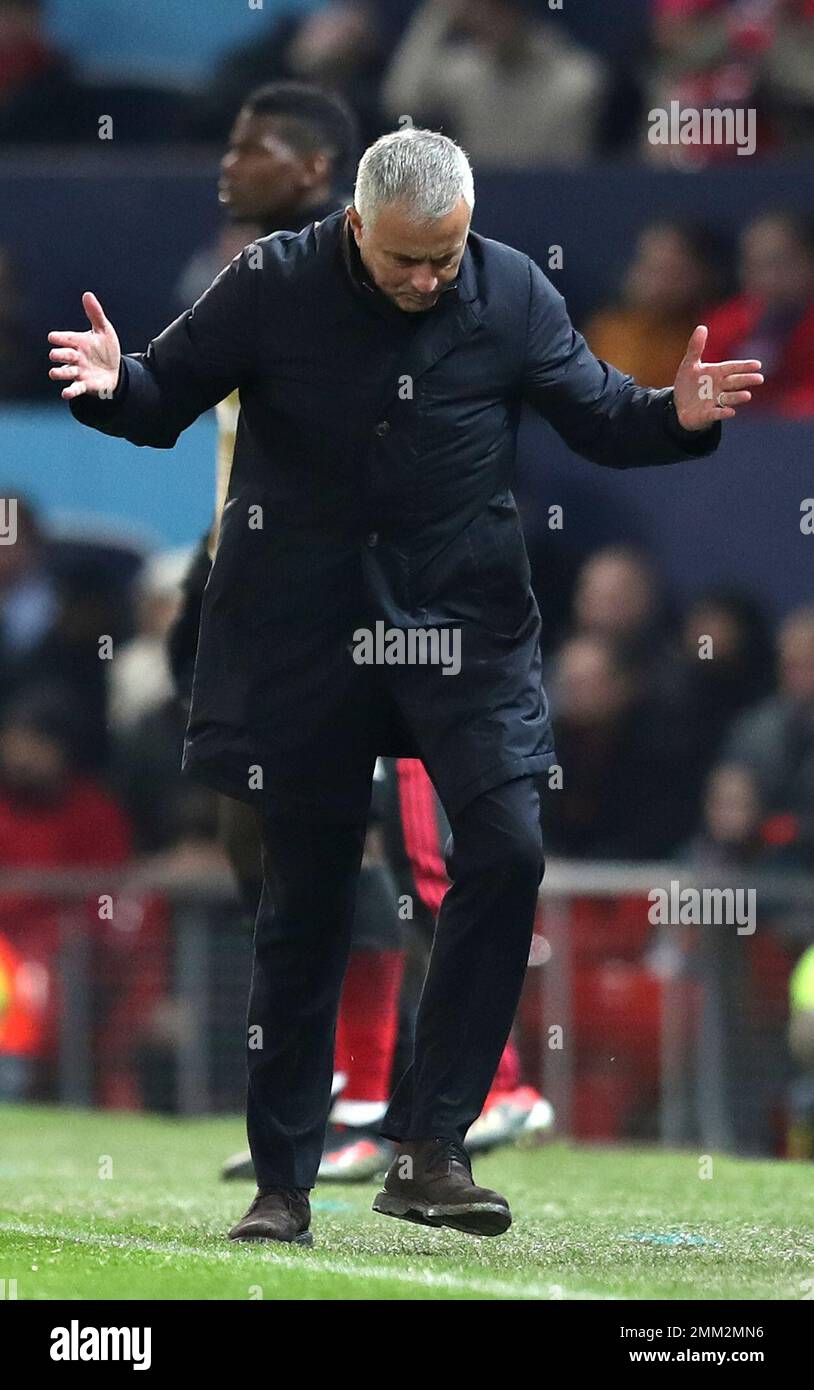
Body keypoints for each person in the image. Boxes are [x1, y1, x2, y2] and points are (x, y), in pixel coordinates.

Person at [49, 126, 763, 1246]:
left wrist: (672, 416)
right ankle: (282, 1183)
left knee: (509, 848)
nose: (430, 278)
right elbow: (159, 396)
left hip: (465, 630)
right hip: (305, 634)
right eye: (405, 261)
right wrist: (109, 385)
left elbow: (601, 415)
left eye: (446, 256)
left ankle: (434, 1148)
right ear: (354, 226)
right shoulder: (271, 283)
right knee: (308, 903)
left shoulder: (512, 289)